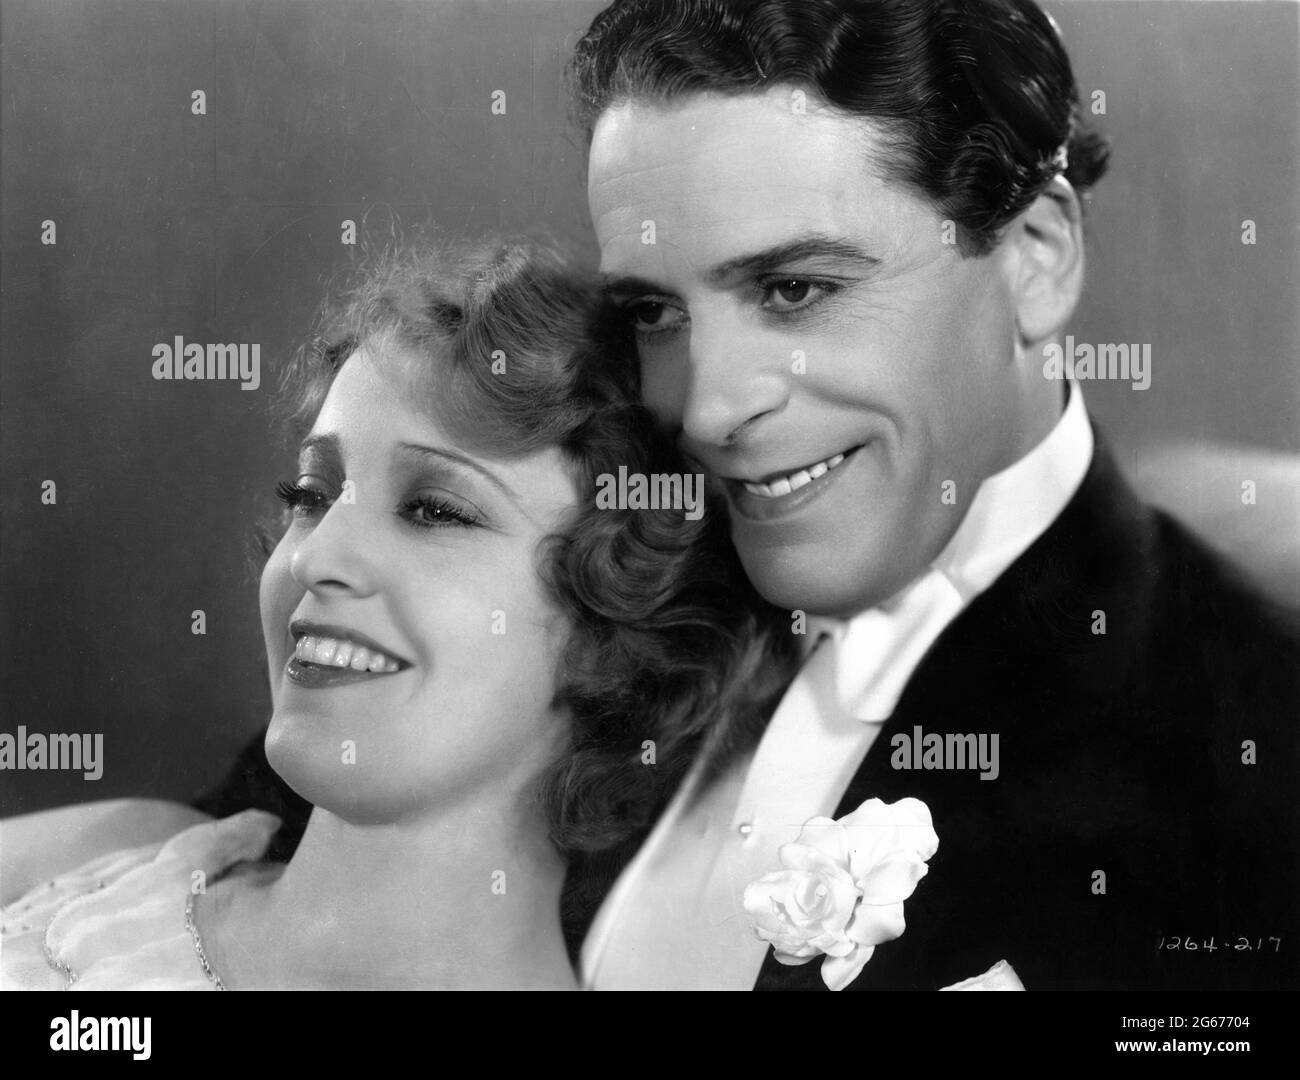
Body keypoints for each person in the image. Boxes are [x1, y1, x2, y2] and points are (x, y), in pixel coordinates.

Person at [150, 0, 1298, 990]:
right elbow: (226, 879)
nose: (707, 410)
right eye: (656, 312)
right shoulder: (620, 536)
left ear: (1037, 252)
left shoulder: (1241, 761)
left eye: (796, 289)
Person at [0, 236, 796, 989]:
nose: (313, 558)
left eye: (436, 511)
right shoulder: (105, 865)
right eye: (311, 496)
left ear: (617, 631)